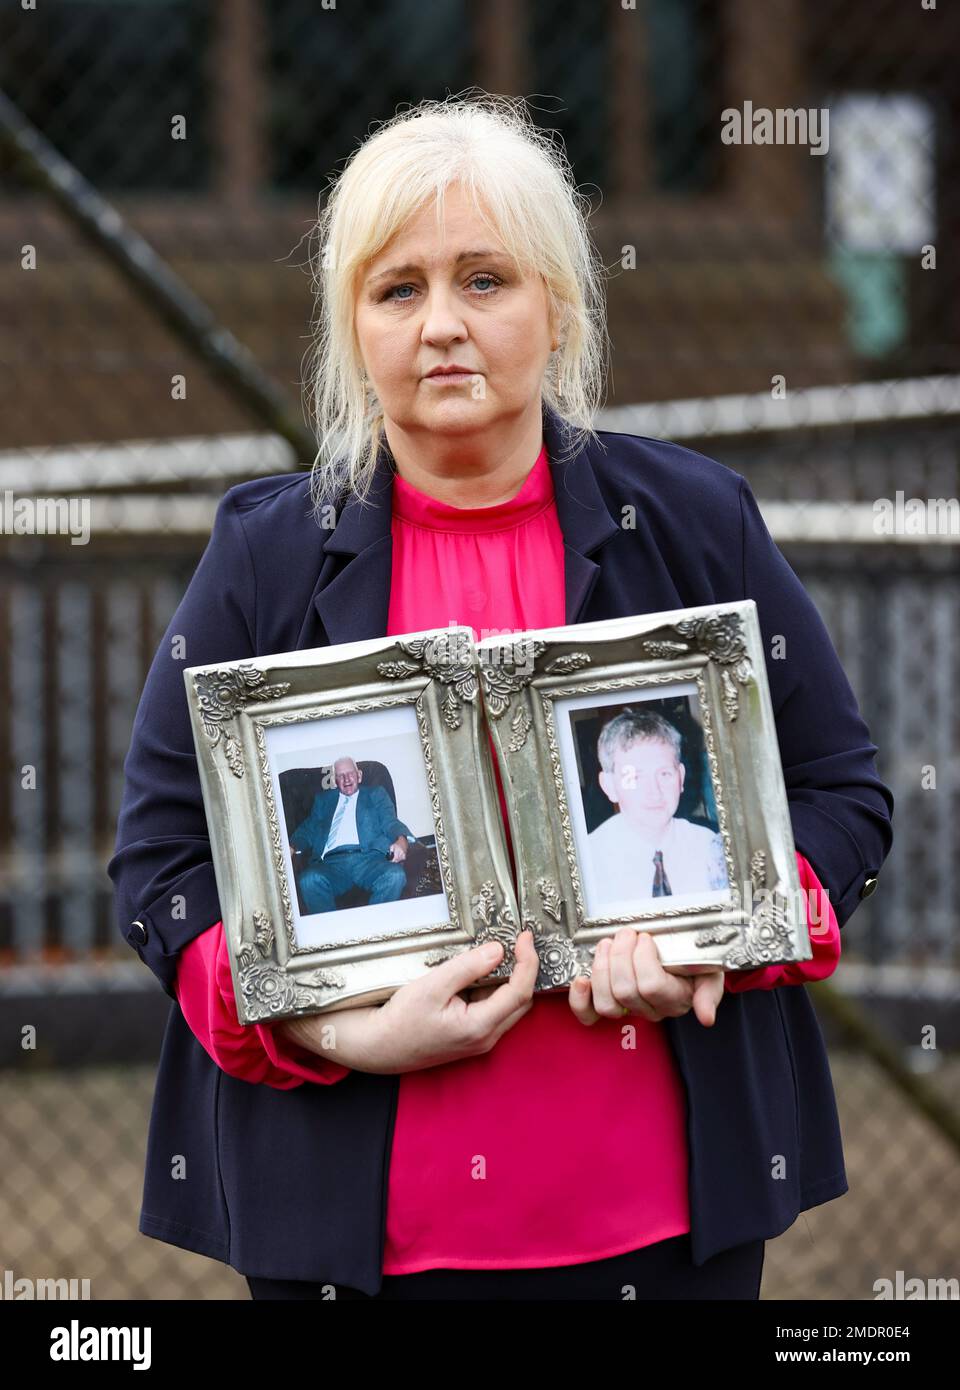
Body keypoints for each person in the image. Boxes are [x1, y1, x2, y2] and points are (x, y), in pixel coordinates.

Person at [107, 93, 894, 1301]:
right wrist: (331, 1032)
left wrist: (720, 934)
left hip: (666, 1226)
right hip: (353, 1239)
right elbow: (158, 862)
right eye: (398, 289)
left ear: (559, 307)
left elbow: (844, 794)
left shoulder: (692, 521)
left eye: (485, 280)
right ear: (351, 325)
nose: (442, 327)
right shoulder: (262, 557)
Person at [586, 709, 729, 905]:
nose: (654, 792)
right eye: (636, 777)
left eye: (664, 774)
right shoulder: (587, 864)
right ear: (609, 785)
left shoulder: (712, 850)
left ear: (680, 777)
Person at [290, 756, 412, 914]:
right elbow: (308, 829)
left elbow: (390, 821)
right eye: (340, 775)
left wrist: (402, 841)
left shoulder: (375, 794)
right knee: (309, 880)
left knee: (395, 876)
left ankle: (376, 932)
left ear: (359, 775)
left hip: (369, 859)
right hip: (331, 863)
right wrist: (292, 846)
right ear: (335, 781)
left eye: (350, 774)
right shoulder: (323, 801)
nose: (346, 779)